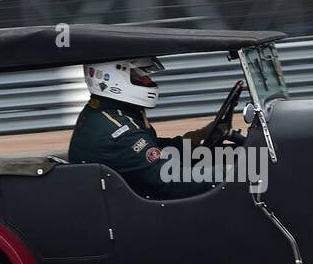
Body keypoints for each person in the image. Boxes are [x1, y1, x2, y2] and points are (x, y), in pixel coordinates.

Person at [68, 57, 228, 199]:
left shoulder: (106, 111)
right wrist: (228, 172)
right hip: (133, 211)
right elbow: (168, 179)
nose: (148, 82)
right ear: (112, 79)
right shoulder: (119, 130)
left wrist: (191, 142)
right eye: (138, 76)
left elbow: (151, 148)